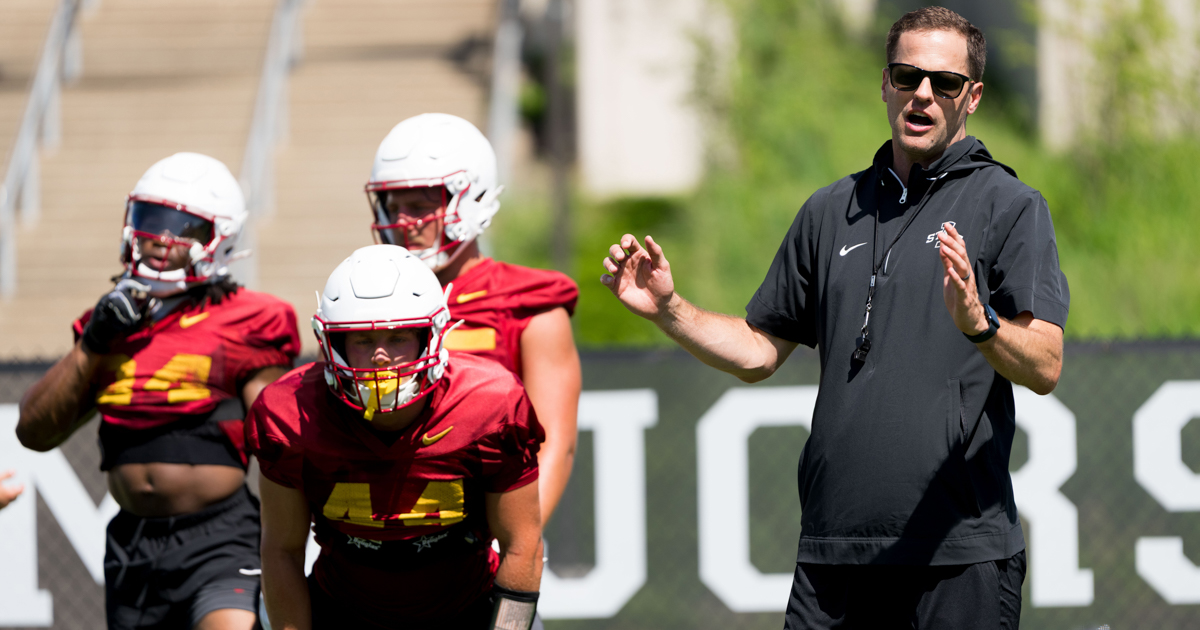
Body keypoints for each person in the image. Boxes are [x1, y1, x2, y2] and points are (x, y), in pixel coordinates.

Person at [602, 7, 1068, 629]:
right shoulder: (830, 210)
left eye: (945, 83)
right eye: (906, 76)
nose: (922, 93)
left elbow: (1045, 364)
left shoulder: (1009, 205)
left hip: (956, 556)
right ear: (885, 85)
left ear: (972, 97)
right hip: (833, 555)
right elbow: (758, 351)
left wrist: (981, 323)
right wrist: (669, 309)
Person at [16, 153, 300, 630]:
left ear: (219, 239)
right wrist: (92, 343)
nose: (159, 240)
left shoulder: (251, 319)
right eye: (151, 221)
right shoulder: (104, 327)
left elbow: (282, 441)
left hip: (221, 537)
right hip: (134, 541)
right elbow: (35, 432)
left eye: (183, 228)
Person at [248, 244, 544, 630]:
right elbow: (281, 551)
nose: (381, 357)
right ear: (332, 344)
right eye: (363, 341)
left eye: (399, 337)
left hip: (469, 609)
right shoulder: (290, 413)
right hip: (343, 612)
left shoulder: (489, 403)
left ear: (432, 336)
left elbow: (522, 546)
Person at [365, 113, 580, 528]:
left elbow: (554, 443)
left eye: (419, 206)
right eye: (394, 206)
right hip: (383, 523)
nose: (403, 222)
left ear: (471, 200)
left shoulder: (527, 304)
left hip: (486, 525)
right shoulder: (367, 296)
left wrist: (517, 543)